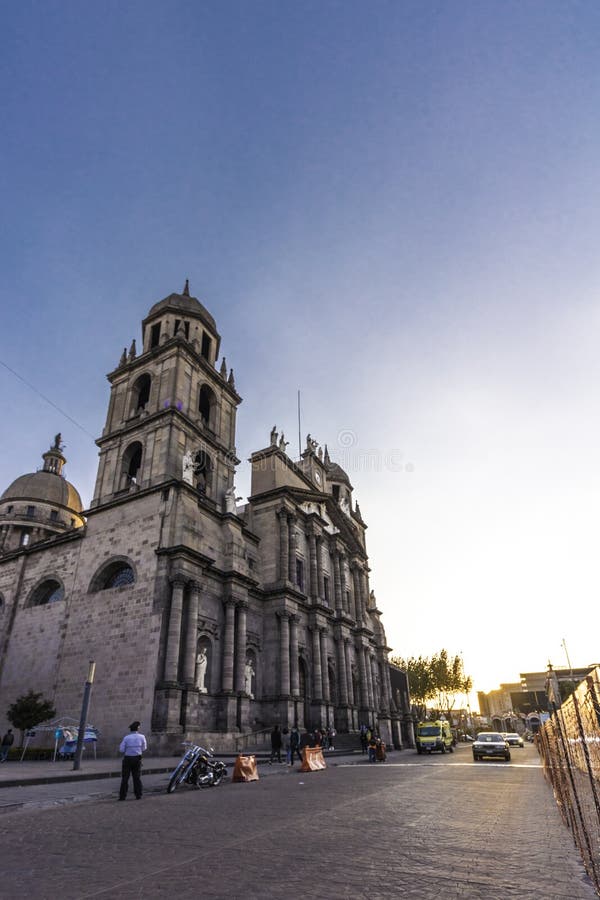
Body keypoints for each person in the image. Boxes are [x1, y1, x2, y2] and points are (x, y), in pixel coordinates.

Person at [118, 721, 147, 800]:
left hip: (127, 759)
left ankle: (122, 796)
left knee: (125, 778)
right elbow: (144, 748)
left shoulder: (126, 738)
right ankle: (138, 795)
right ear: (138, 728)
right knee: (137, 777)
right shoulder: (142, 737)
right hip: (137, 758)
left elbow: (121, 749)